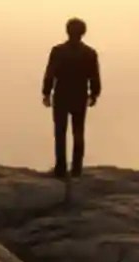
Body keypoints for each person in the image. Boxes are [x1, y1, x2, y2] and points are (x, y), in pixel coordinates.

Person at [41, 17, 101, 178]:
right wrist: (94, 94)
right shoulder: (89, 53)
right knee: (78, 132)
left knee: (60, 132)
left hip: (61, 94)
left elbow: (50, 73)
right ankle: (76, 169)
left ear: (67, 31)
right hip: (79, 94)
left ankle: (61, 168)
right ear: (83, 32)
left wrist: (46, 93)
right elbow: (94, 76)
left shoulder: (58, 51)